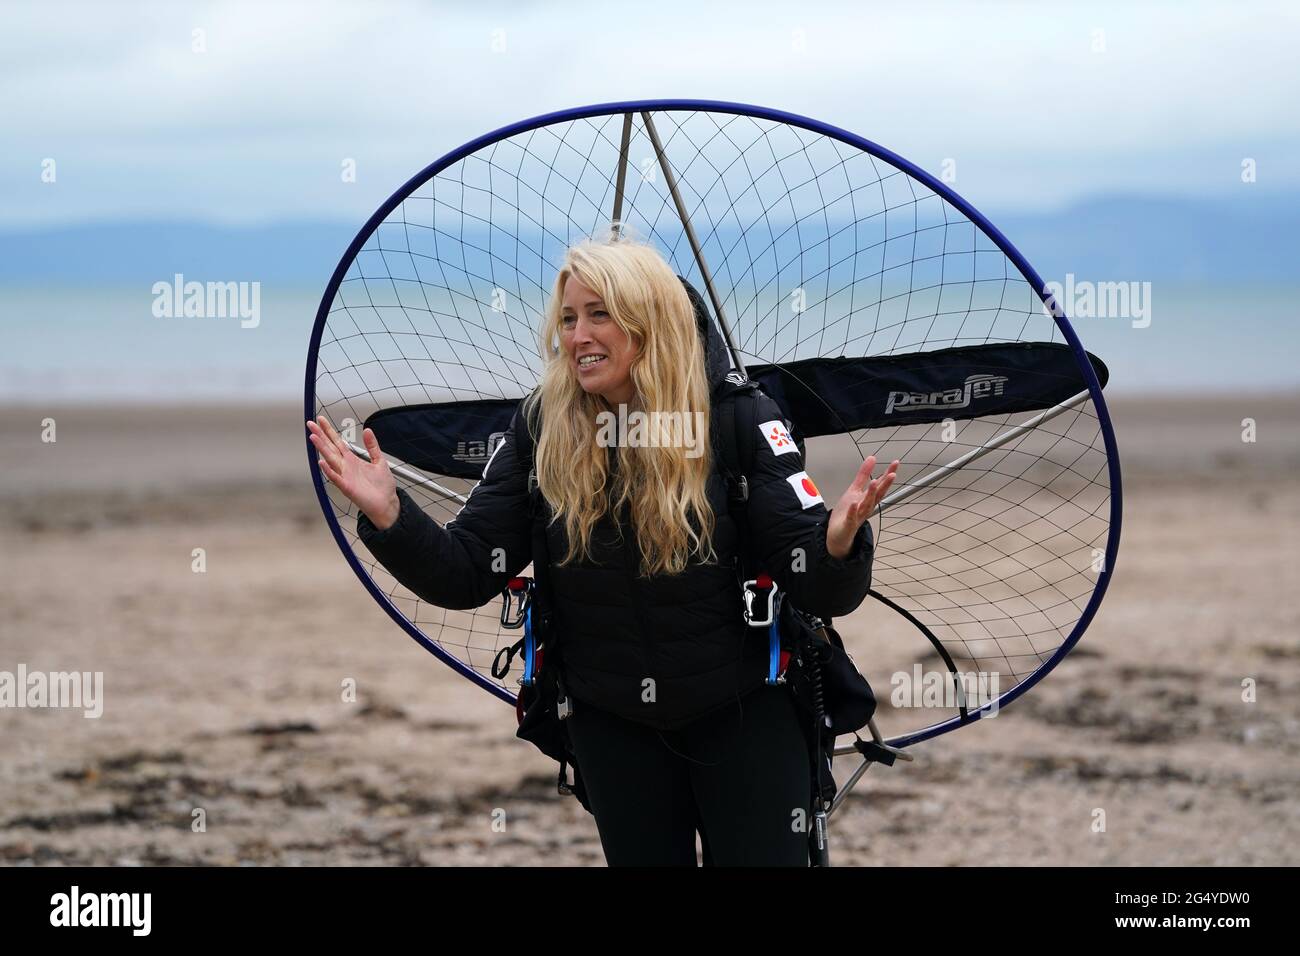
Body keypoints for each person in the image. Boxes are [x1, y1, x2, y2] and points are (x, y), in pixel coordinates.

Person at [307, 233, 899, 866]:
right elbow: (468, 569)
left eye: (599, 314)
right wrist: (392, 517)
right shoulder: (541, 427)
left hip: (747, 712)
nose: (578, 335)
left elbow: (821, 588)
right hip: (610, 721)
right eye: (567, 318)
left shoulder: (739, 419)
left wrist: (838, 543)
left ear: (649, 322)